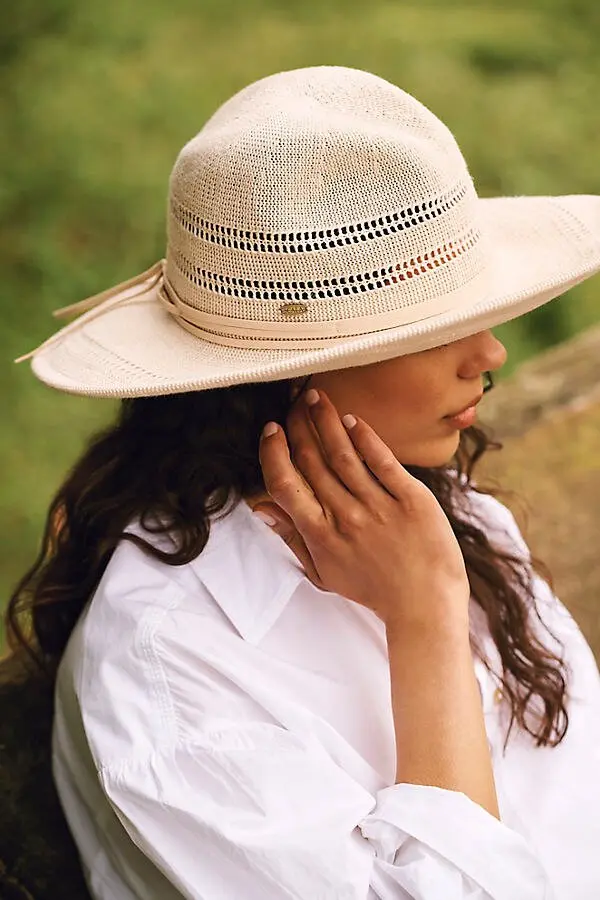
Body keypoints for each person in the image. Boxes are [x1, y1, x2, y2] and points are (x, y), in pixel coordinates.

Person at [7, 66, 600, 899]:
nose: (491, 354)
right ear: (291, 372)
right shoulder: (174, 667)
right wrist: (425, 625)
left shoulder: (450, 513)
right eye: (431, 328)